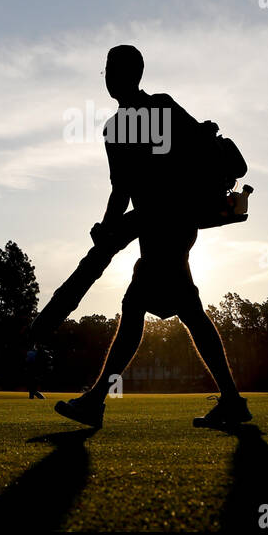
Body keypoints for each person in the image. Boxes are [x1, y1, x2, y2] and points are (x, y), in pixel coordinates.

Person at [52, 45, 251, 430]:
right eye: (106, 69)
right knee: (184, 310)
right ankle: (231, 400)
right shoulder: (119, 126)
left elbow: (201, 147)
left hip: (171, 224)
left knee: (137, 305)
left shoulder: (156, 109)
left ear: (133, 73)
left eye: (113, 68)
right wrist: (107, 229)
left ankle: (96, 401)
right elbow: (120, 190)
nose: (108, 76)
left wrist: (111, 227)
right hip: (157, 227)